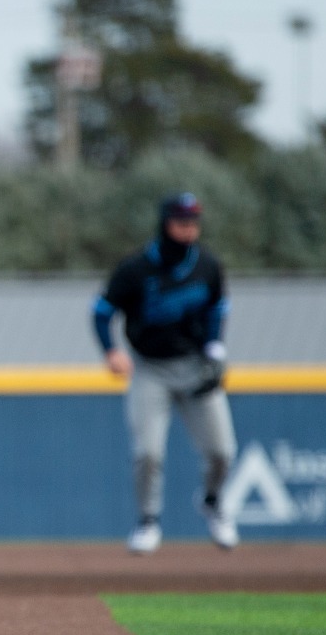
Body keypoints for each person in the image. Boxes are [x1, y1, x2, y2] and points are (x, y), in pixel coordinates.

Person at [92, 192, 238, 555]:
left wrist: (215, 347)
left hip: (194, 366)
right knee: (148, 453)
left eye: (193, 223)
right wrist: (111, 351)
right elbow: (100, 311)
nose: (188, 230)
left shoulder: (207, 265)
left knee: (222, 451)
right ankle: (147, 521)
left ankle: (213, 502)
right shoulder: (136, 269)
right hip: (150, 368)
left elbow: (218, 307)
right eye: (181, 222)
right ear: (165, 223)